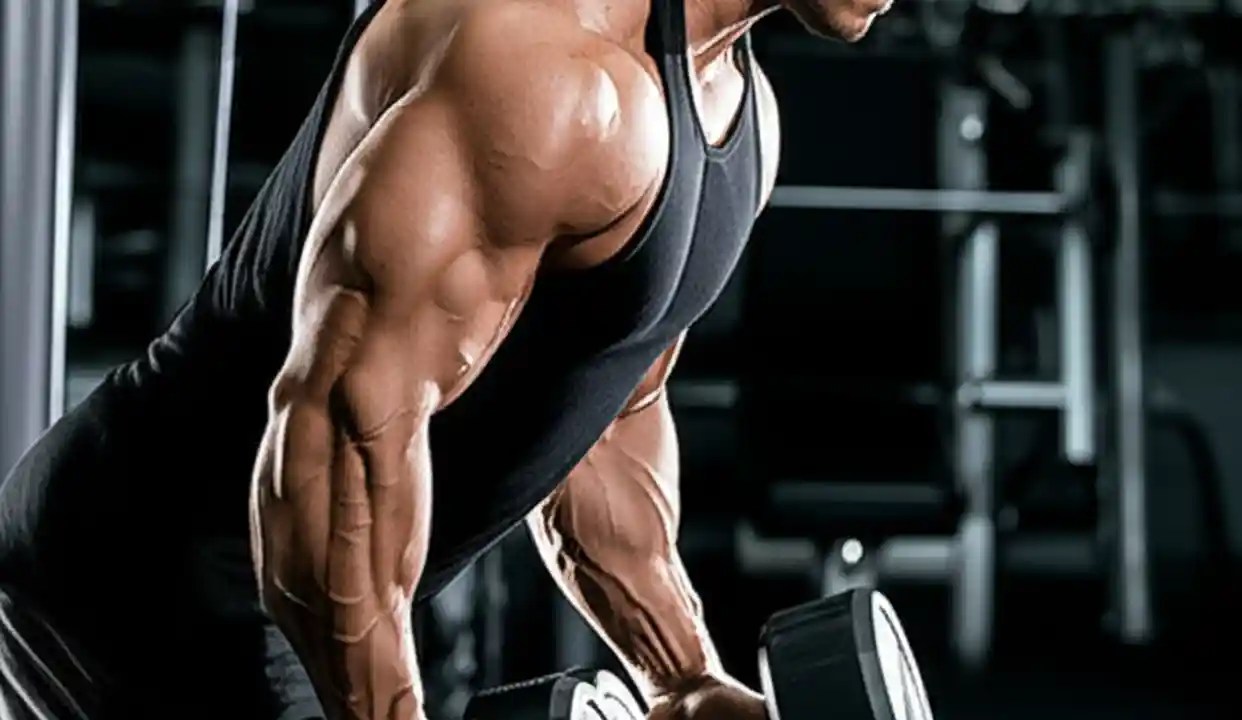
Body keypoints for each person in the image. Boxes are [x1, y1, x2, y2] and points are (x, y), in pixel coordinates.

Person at [0, 0, 893, 717]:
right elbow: (342, 433)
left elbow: (605, 412)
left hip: (280, 599)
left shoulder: (739, 116)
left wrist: (683, 677)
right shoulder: (536, 58)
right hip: (150, 580)